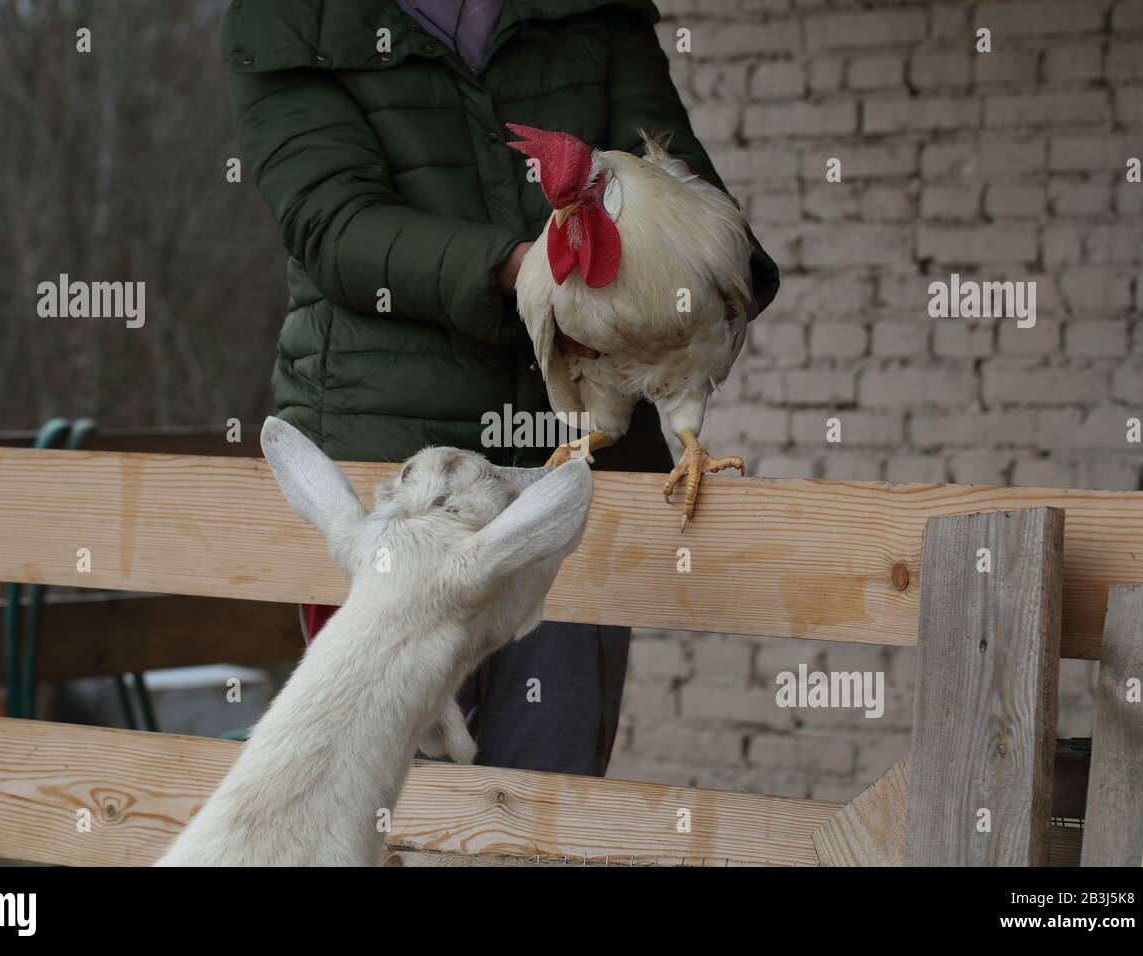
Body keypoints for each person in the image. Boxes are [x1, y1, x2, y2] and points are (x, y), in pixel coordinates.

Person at [221, 0, 778, 777]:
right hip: (391, 469)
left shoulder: (592, 8)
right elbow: (334, 222)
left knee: (549, 796)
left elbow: (670, 171)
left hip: (573, 473)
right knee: (381, 794)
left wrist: (704, 268)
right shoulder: (297, 17)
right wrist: (526, 276)